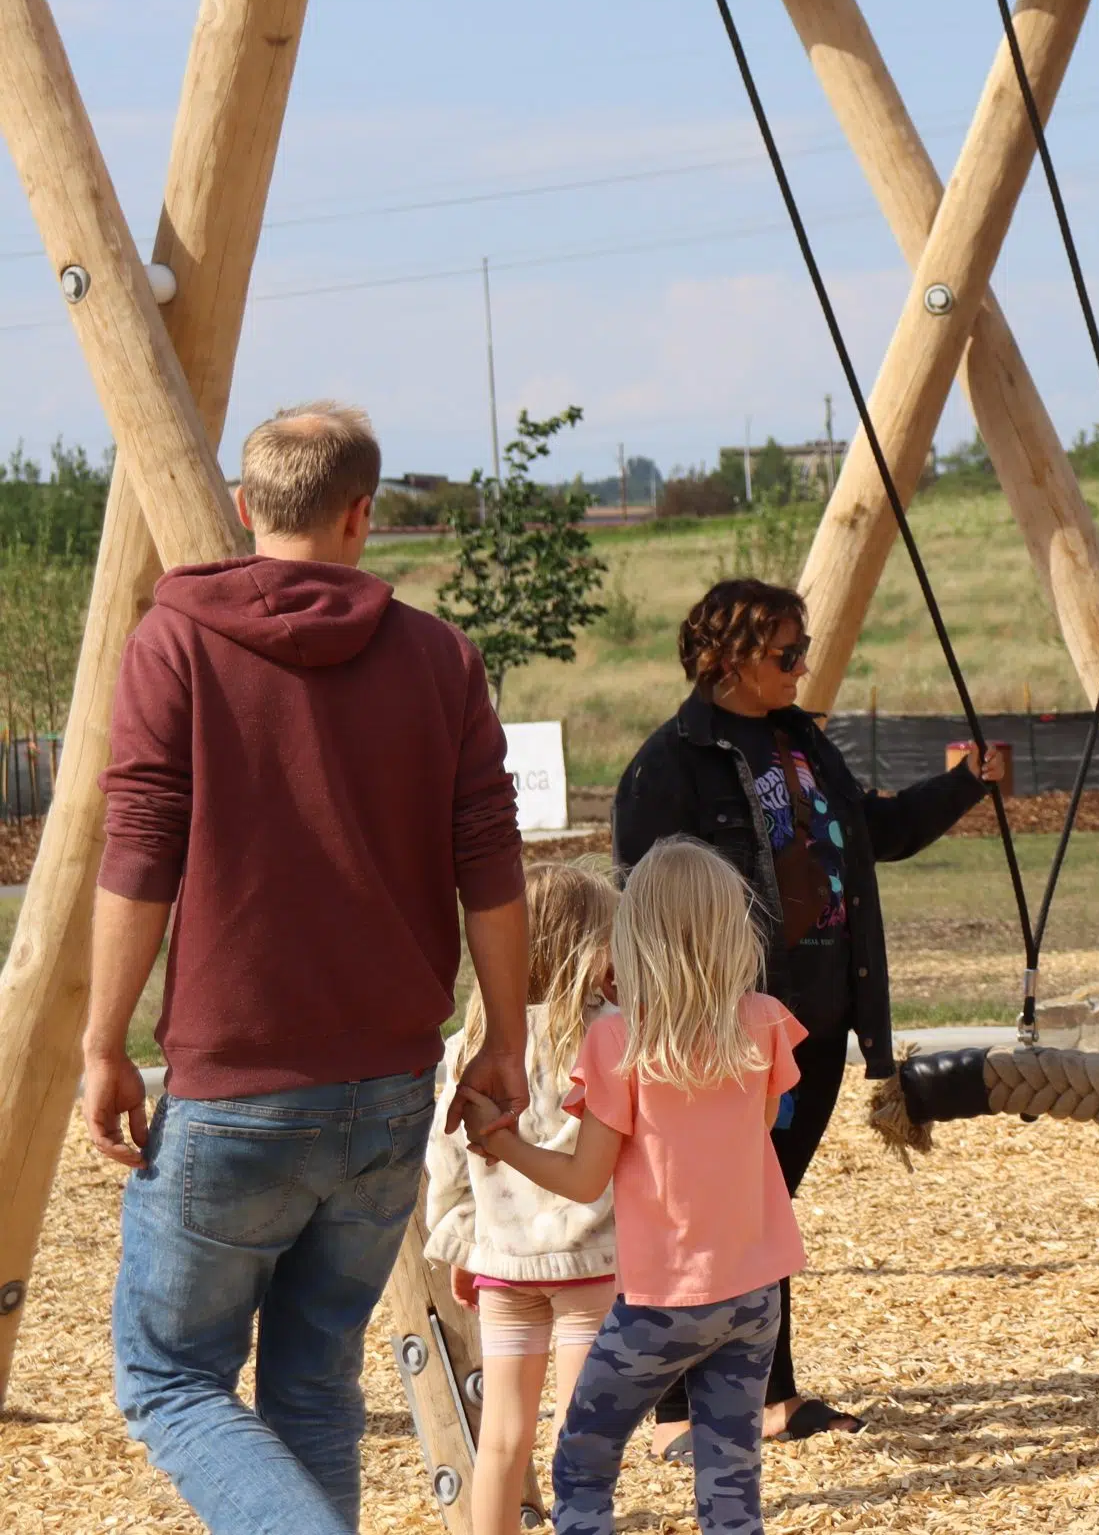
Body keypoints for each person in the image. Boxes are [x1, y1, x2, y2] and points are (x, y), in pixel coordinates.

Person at [84, 401, 530, 1535]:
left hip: (235, 1086)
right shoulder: (438, 656)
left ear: (245, 510)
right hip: (385, 1089)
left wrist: (103, 1043)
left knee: (171, 1379)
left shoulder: (175, 640)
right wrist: (508, 1039)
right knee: (312, 1386)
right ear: (360, 515)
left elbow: (139, 855)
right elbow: (491, 864)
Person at [613, 578, 1001, 1449]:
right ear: (727, 660)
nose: (801, 665)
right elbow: (641, 906)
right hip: (727, 1031)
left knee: (762, 1206)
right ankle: (709, 1402)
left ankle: (734, 1395)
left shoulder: (804, 747)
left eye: (803, 648)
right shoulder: (666, 767)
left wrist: (965, 785)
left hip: (818, 1024)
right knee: (729, 1209)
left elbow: (878, 832)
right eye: (785, 653)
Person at [459, 837, 806, 1535]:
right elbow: (762, 1123)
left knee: (585, 1458)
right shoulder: (764, 1022)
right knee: (731, 1474)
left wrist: (504, 1142)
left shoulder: (619, 1046)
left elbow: (585, 1180)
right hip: (754, 1293)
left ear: (634, 936)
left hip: (661, 1304)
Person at [425, 863, 622, 1535]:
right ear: (583, 947)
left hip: (504, 1265)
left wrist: (461, 1242)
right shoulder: (607, 1036)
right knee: (580, 1431)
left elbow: (445, 1161)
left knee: (503, 1435)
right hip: (589, 1265)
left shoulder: (470, 1048)